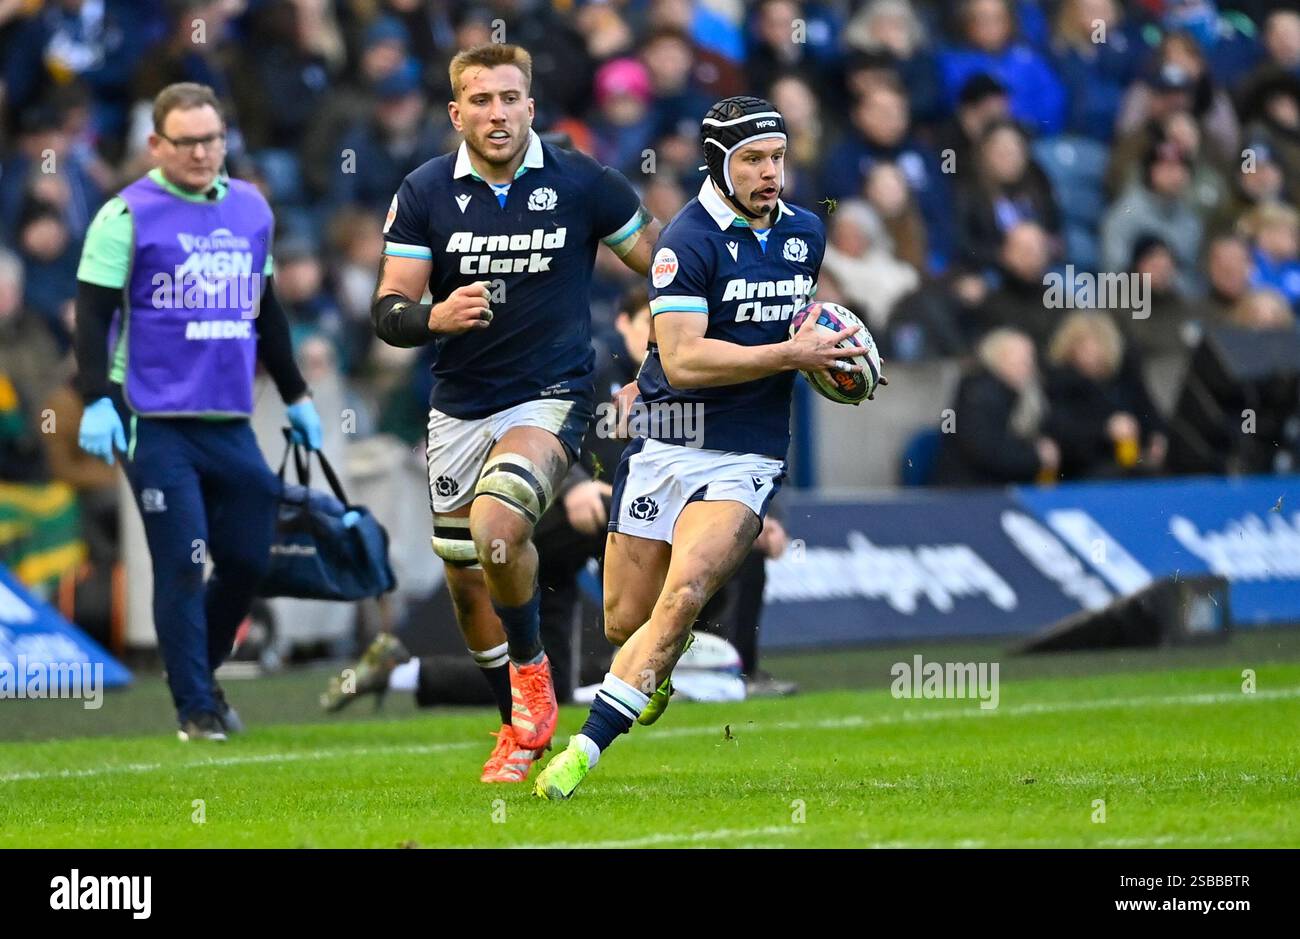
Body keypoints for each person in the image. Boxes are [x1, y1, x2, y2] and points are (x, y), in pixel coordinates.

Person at [533, 95, 872, 800]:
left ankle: (582, 753)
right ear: (718, 164)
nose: (770, 172)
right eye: (752, 160)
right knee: (628, 619)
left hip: (747, 454)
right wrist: (789, 352)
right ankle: (657, 662)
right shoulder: (686, 242)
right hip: (666, 443)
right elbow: (684, 361)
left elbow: (798, 332)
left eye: (777, 157)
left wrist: (827, 358)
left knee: (684, 592)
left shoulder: (807, 233)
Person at [369, 43, 659, 783]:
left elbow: (663, 266)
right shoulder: (425, 190)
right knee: (469, 580)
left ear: (531, 105)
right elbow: (389, 307)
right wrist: (433, 318)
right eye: (482, 100)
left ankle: (534, 677)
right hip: (460, 407)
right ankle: (517, 722)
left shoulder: (582, 181)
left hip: (551, 393)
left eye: (510, 98)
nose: (497, 113)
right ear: (455, 111)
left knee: (500, 526)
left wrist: (673, 355)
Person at [72, 82, 321, 741]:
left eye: (213, 139)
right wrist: (98, 398)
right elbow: (92, 317)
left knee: (245, 556)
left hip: (227, 417)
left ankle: (196, 672)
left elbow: (266, 310)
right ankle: (196, 707)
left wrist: (297, 396)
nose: (203, 152)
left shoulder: (250, 208)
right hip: (151, 418)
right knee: (183, 558)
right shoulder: (124, 216)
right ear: (156, 145)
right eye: (187, 142)